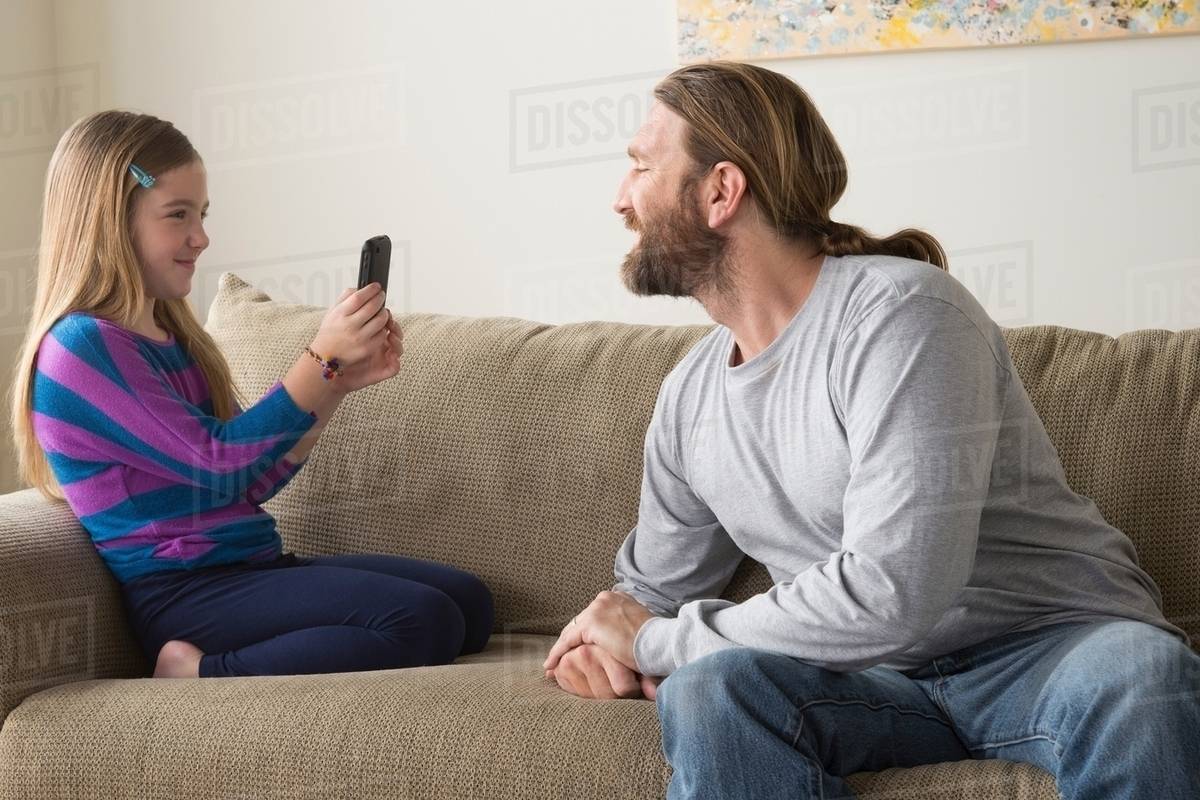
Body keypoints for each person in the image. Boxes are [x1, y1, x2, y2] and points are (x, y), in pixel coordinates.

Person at [542, 61, 1200, 799]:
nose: (619, 199)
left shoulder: (905, 318)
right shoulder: (690, 395)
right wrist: (598, 644)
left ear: (721, 191)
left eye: (640, 166)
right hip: (869, 684)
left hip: (1048, 649)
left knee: (1143, 680)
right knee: (714, 690)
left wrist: (656, 641)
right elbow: (648, 594)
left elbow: (894, 589)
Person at [9, 110, 493, 680]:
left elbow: (255, 481)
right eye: (177, 216)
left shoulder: (173, 339)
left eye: (201, 215)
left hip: (249, 567)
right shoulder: (82, 348)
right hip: (183, 592)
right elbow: (219, 467)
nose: (201, 237)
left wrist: (336, 385)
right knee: (424, 619)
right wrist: (322, 360)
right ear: (112, 222)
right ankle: (196, 673)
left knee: (470, 603)